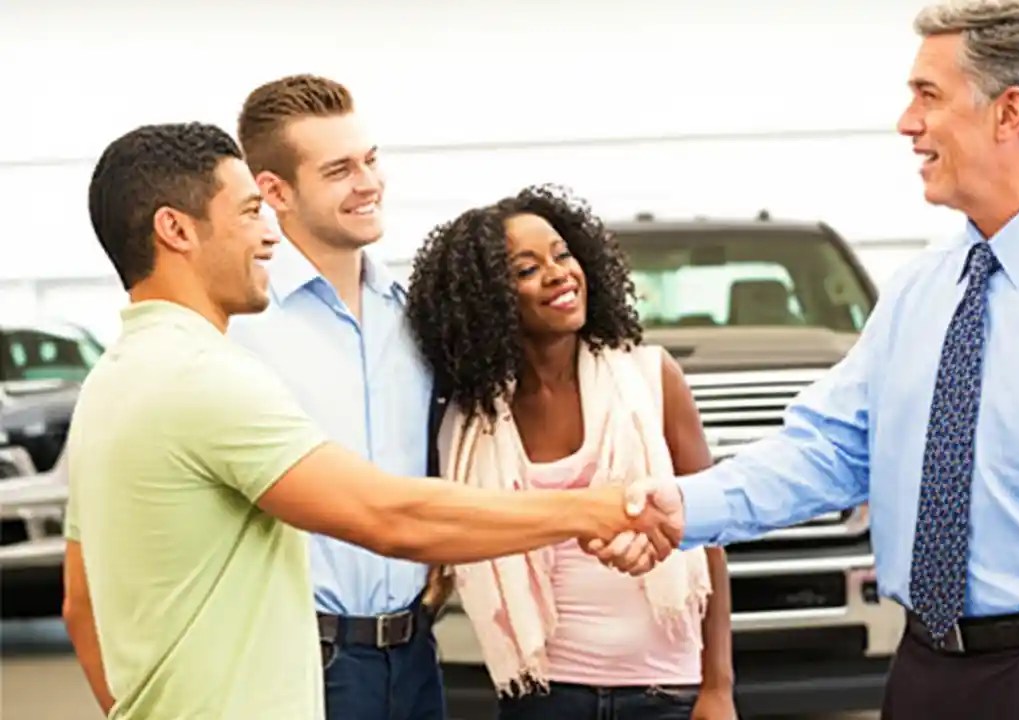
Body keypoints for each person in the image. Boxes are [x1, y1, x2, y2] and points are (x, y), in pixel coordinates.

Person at [599, 2, 1019, 719]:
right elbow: (829, 449)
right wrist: (685, 506)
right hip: (924, 675)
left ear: (1008, 112)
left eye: (928, 95)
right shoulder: (923, 290)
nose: (906, 122)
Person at [60, 122, 676, 720]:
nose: (269, 237)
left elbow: (80, 603)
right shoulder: (206, 377)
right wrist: (593, 508)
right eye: (249, 212)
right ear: (176, 230)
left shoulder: (111, 382)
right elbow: (388, 516)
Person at [404, 184, 737, 720]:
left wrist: (717, 687)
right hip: (543, 694)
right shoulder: (471, 418)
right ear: (489, 298)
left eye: (562, 254)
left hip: (664, 692)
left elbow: (709, 534)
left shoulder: (652, 379)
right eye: (526, 269)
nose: (559, 273)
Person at [226, 73, 446, 720]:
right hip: (298, 663)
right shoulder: (241, 329)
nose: (369, 183)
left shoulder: (414, 316)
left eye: (371, 160)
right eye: (340, 170)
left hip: (416, 657)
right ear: (275, 191)